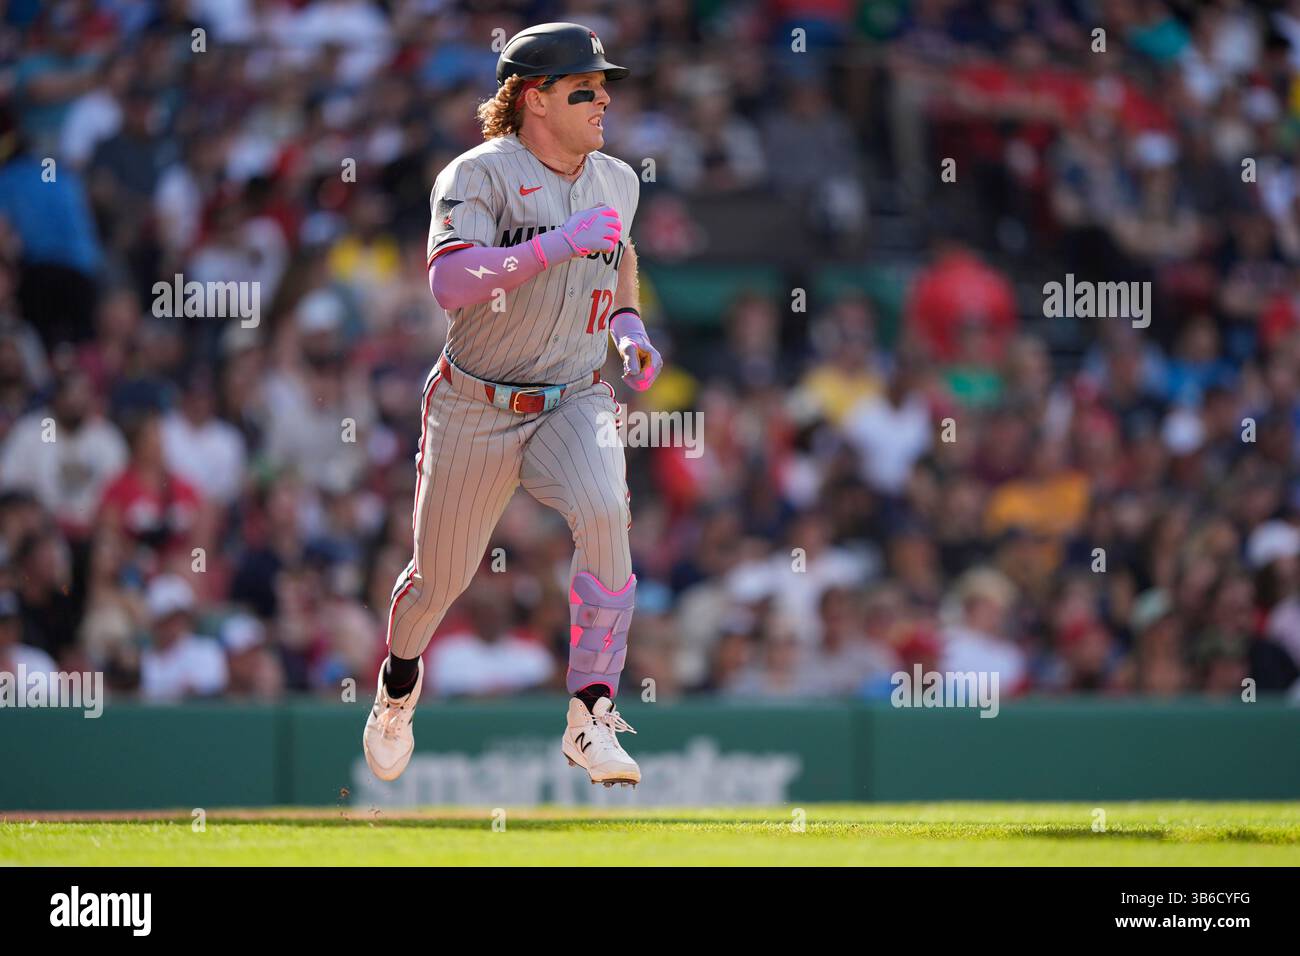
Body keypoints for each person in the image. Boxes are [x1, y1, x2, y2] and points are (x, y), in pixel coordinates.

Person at [363, 23, 663, 788]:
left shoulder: (618, 181)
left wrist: (628, 333)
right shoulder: (478, 174)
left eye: (605, 86)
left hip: (573, 394)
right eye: (584, 88)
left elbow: (618, 269)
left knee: (606, 513)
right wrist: (556, 243)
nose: (603, 100)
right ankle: (398, 687)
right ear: (534, 98)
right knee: (440, 579)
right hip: (476, 402)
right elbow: (450, 284)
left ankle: (591, 713)